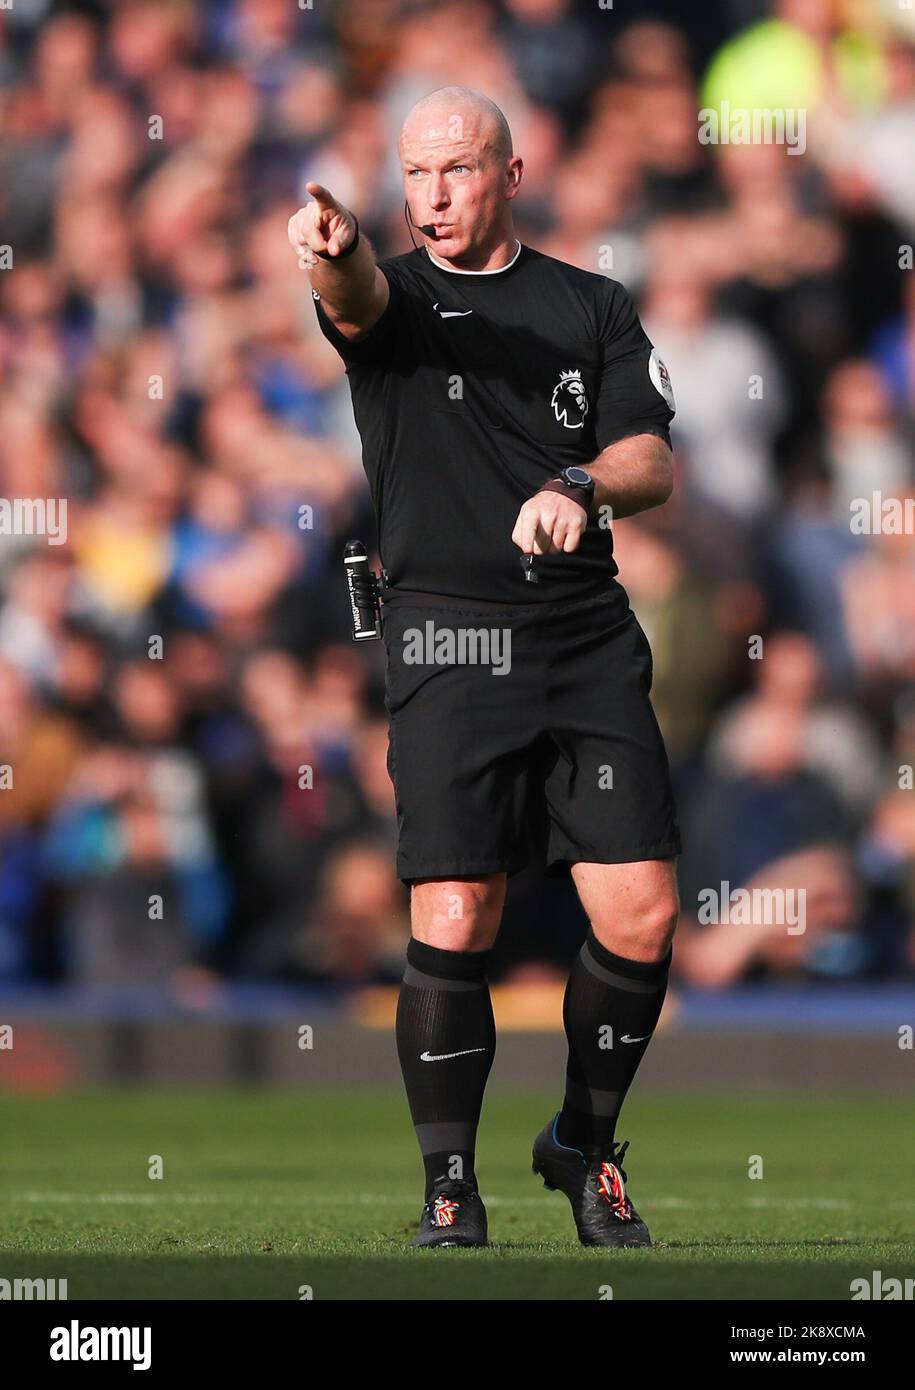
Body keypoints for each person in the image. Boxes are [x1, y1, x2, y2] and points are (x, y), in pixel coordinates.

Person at [287, 87, 680, 1249]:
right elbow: (348, 297)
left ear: (514, 170)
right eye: (415, 175)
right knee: (458, 909)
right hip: (449, 631)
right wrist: (339, 255)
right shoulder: (392, 298)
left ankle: (582, 1145)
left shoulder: (591, 304)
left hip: (580, 629)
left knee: (645, 914)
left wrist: (581, 486)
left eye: (457, 170)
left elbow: (651, 456)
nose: (434, 195)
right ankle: (449, 1186)